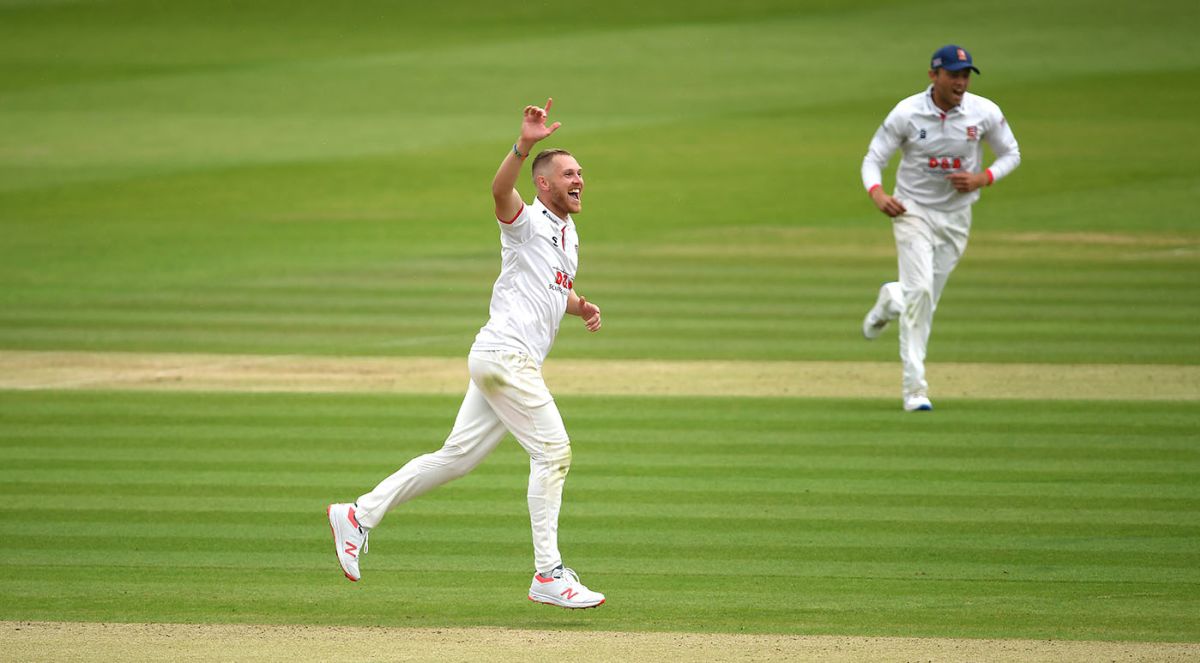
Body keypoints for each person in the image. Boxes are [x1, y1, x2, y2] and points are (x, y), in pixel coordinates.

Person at [327, 98, 606, 609]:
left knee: (455, 457)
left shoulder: (568, 234)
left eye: (581, 172)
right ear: (543, 184)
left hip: (497, 361)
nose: (579, 179)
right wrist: (524, 146)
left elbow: (551, 287)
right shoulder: (526, 220)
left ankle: (358, 514)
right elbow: (500, 191)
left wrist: (580, 305)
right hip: (507, 358)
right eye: (568, 173)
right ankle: (548, 573)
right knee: (554, 452)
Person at [859, 45, 1021, 411]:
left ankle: (890, 299)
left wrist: (983, 177)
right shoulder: (907, 113)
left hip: (957, 217)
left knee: (923, 298)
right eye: (953, 75)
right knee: (921, 295)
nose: (960, 82)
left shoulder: (984, 112)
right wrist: (877, 193)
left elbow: (1012, 153)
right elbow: (874, 158)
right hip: (912, 210)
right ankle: (915, 390)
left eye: (965, 75)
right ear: (934, 76)